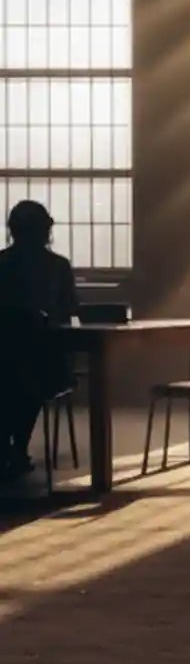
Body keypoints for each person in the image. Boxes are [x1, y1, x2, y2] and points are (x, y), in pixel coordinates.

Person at [0, 201, 78, 476]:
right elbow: (70, 309)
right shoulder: (58, 266)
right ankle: (17, 446)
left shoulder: (2, 263)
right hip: (46, 363)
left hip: (5, 361)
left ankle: (8, 446)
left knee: (11, 382)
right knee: (30, 384)